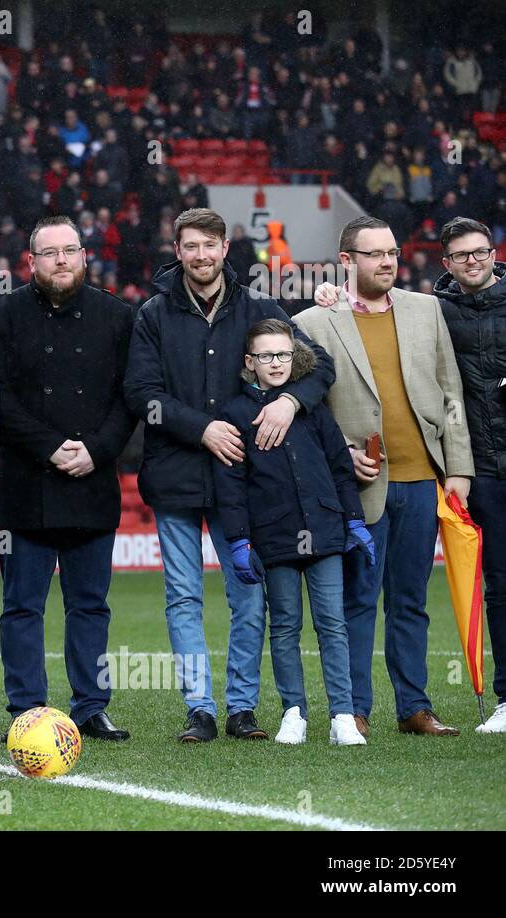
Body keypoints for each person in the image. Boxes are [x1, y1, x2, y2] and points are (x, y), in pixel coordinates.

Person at [123, 208, 335, 743]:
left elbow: (320, 367)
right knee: (183, 596)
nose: (200, 255)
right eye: (190, 245)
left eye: (210, 245)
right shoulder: (151, 314)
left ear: (224, 250)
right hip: (175, 475)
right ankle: (200, 708)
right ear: (178, 250)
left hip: (242, 480)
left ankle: (241, 707)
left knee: (248, 594)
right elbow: (142, 396)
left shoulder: (259, 308)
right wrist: (204, 430)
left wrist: (288, 401)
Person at [296, 216, 472, 737]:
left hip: (423, 481)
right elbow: (306, 408)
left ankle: (415, 708)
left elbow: (451, 393)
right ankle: (354, 709)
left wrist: (459, 468)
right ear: (347, 261)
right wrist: (341, 453)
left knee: (411, 600)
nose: (387, 262)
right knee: (357, 600)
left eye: (392, 252)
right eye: (374, 254)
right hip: (357, 486)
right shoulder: (314, 322)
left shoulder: (427, 309)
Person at [0, 215, 135, 740]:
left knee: (90, 604)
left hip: (93, 481)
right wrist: (51, 448)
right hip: (27, 484)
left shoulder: (118, 316)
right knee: (21, 604)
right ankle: (26, 708)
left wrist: (96, 449)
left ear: (85, 255)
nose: (61, 260)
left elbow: (129, 400)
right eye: (49, 253)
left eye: (70, 250)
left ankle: (91, 707)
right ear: (31, 262)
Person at [212, 319, 372, 746]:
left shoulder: (312, 409)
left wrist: (353, 520)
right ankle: (293, 713)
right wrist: (240, 541)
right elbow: (231, 486)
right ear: (250, 363)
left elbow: (341, 468)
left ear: (293, 356)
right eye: (266, 355)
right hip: (274, 537)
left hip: (324, 532)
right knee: (284, 626)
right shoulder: (234, 414)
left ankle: (342, 715)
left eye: (283, 354)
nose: (276, 362)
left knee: (332, 623)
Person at [432, 218, 506, 733]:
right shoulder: (434, 313)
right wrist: (330, 293)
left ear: (493, 253)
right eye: (462, 255)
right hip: (482, 470)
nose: (473, 261)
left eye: (480, 252)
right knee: (500, 585)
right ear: (447, 264)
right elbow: (370, 309)